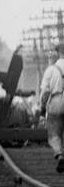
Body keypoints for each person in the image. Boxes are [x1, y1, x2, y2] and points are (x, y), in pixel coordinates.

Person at [38, 42, 64, 173]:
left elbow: (44, 93)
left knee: (54, 131)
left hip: (56, 101)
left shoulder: (51, 69)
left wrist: (42, 110)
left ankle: (59, 154)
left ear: (58, 52)